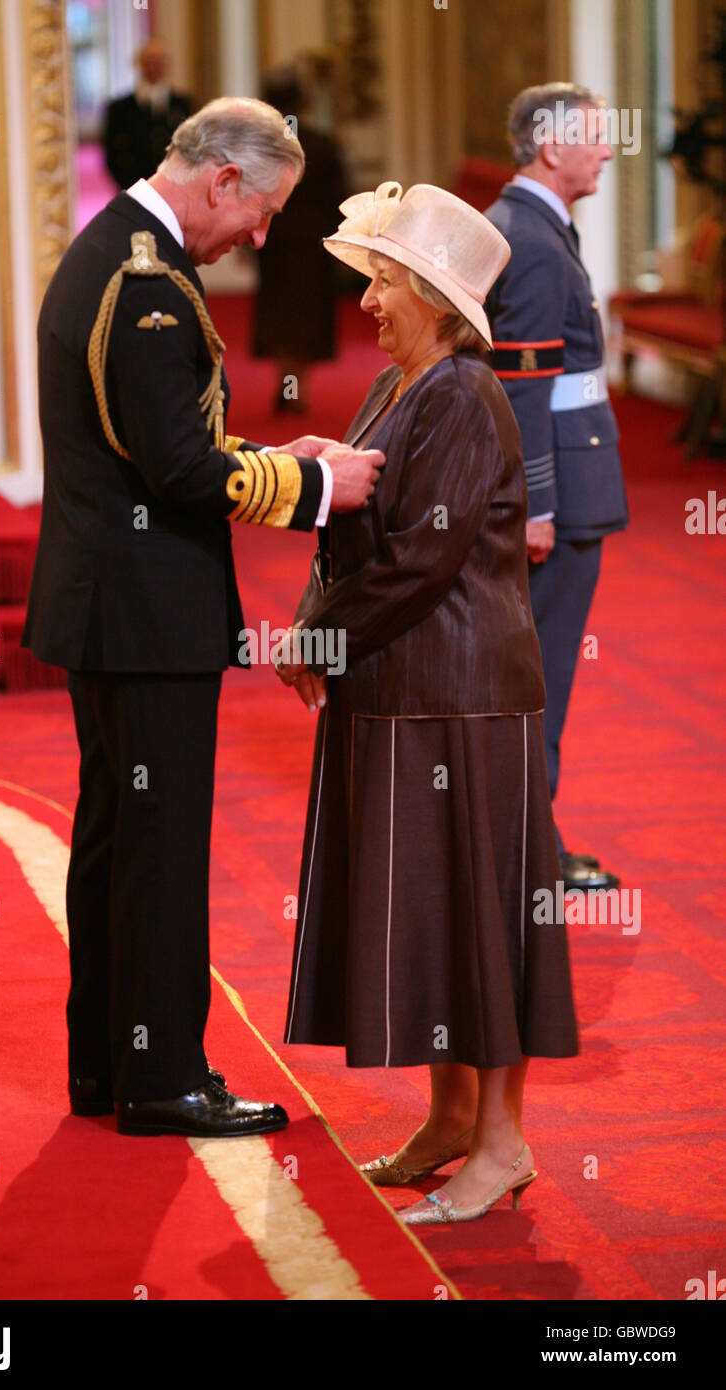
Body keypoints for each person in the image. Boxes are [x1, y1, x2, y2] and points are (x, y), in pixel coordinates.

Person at [22, 98, 385, 1139]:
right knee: (160, 848)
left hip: (115, 603)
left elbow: (168, 441)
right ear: (221, 179)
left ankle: (107, 1065)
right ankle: (165, 1077)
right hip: (142, 611)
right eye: (264, 212)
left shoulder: (126, 254)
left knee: (118, 840)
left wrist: (286, 458)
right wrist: (316, 492)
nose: (261, 237)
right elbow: (180, 467)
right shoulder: (146, 281)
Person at [276, 182, 578, 1224]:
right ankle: (452, 1121)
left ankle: (502, 1143)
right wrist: (319, 613)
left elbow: (421, 563)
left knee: (481, 922)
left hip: (459, 697)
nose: (366, 300)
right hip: (403, 690)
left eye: (385, 281)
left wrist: (317, 636)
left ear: (441, 302)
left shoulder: (458, 393)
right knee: (437, 914)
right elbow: (352, 522)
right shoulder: (398, 385)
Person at [485, 83, 629, 892]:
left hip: (569, 478)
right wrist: (536, 505)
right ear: (551, 147)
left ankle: (523, 840)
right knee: (540, 673)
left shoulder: (527, 224)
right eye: (596, 138)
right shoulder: (533, 239)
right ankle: (523, 855)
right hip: (560, 491)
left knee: (538, 669)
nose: (608, 150)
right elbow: (522, 385)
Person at [252, 66, 348, 413]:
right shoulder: (322, 144)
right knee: (306, 315)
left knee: (280, 312)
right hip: (312, 243)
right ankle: (296, 389)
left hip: (274, 240)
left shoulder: (262, 149)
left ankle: (286, 382)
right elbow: (340, 196)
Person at [103, 39, 192, 189]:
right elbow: (112, 154)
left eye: (159, 61)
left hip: (174, 185)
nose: (154, 66)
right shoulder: (119, 108)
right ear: (139, 64)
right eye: (149, 61)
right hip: (134, 186)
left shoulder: (182, 104)